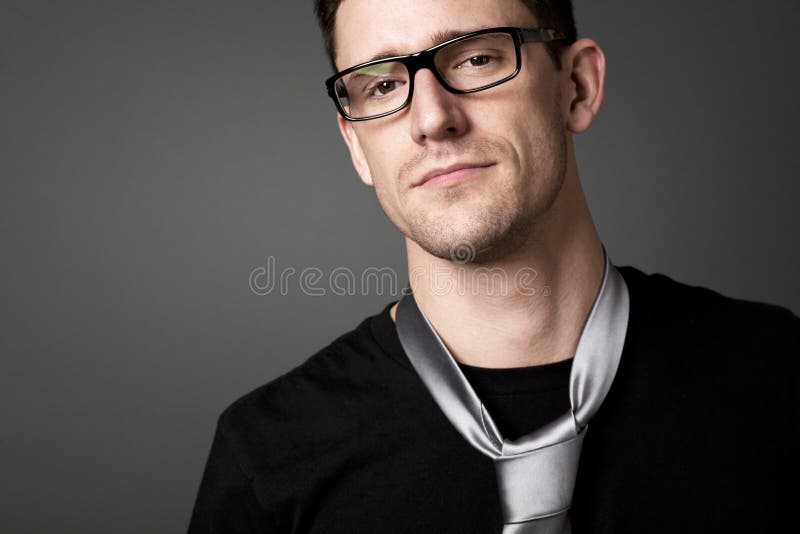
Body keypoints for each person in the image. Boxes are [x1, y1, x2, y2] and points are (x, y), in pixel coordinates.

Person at [188, 0, 799, 532]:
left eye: (475, 59)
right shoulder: (268, 458)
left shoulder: (780, 375)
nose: (432, 119)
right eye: (381, 86)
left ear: (577, 86)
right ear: (356, 145)